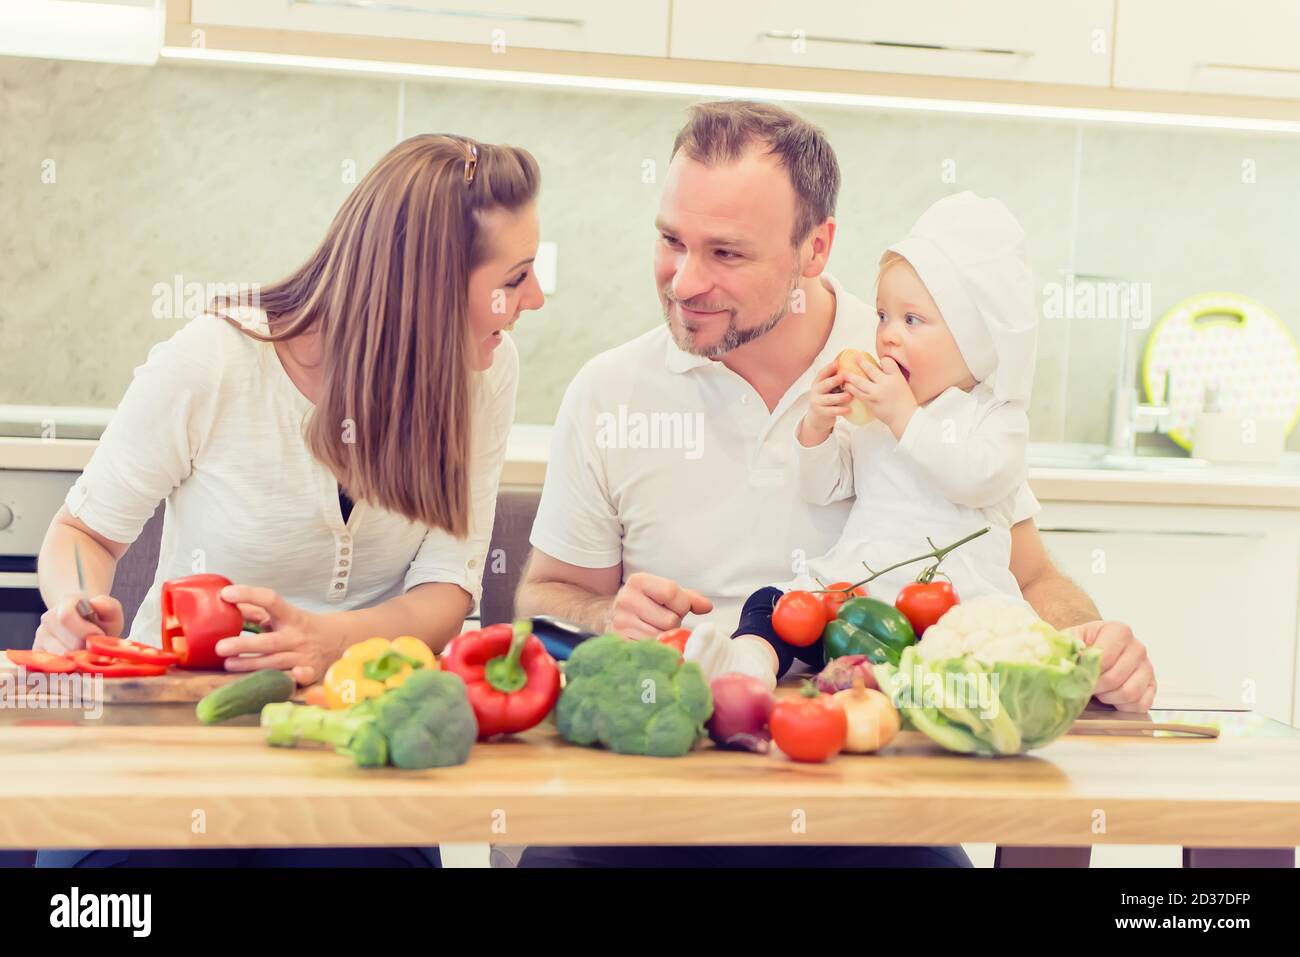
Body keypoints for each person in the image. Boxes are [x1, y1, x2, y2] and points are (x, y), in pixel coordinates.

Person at [515, 100, 1154, 868]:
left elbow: (1029, 576)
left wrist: (1092, 642)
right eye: (670, 240)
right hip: (652, 798)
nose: (684, 281)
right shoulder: (609, 391)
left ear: (815, 248)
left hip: (874, 810)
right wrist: (603, 611)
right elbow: (542, 597)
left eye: (726, 253)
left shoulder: (917, 356)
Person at [32, 133, 544, 867]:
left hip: (352, 745)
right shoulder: (215, 360)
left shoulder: (484, 376)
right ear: (426, 287)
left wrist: (331, 641)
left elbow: (445, 587)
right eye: (517, 276)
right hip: (172, 740)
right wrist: (78, 609)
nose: (535, 299)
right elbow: (85, 530)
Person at [686, 191, 1049, 688]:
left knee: (1009, 652)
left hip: (952, 608)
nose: (888, 336)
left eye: (912, 320)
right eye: (882, 316)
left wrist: (903, 415)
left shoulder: (995, 418)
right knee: (774, 605)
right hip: (857, 602)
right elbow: (823, 487)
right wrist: (818, 427)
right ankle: (748, 663)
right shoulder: (878, 417)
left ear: (974, 338)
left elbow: (976, 479)